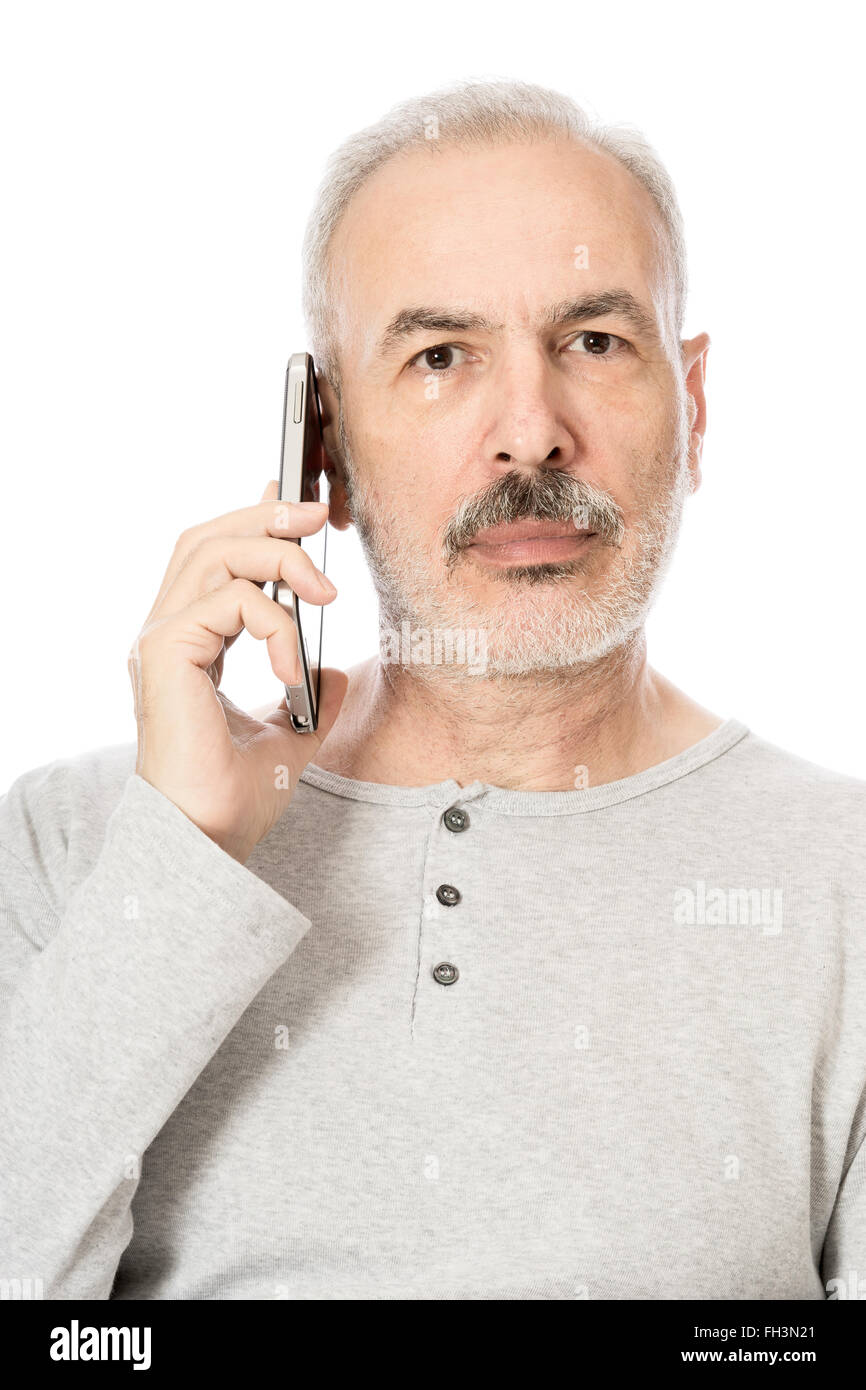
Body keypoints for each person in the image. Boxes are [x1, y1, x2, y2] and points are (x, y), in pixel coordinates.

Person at [1, 79, 863, 1302]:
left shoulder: (847, 882)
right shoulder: (71, 848)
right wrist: (180, 859)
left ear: (694, 404)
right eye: (440, 355)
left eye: (593, 342)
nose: (530, 432)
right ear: (327, 446)